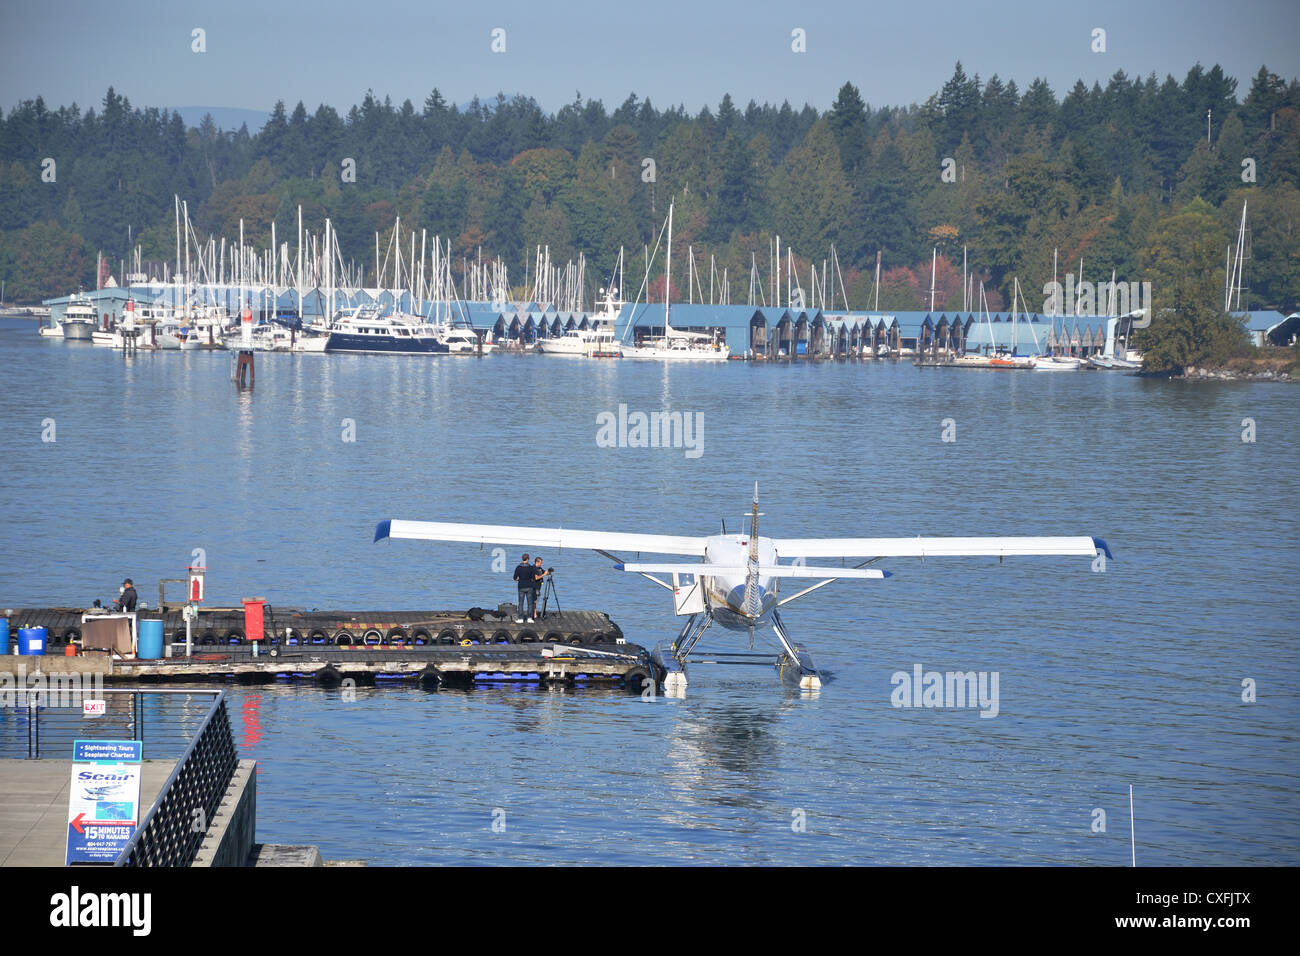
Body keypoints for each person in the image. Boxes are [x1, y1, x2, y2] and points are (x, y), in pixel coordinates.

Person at [513, 554, 533, 623]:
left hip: (521, 586)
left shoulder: (518, 567)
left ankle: (521, 618)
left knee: (521, 603)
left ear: (522, 559)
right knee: (530, 603)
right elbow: (533, 577)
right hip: (529, 586)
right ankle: (529, 618)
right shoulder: (530, 567)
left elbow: (515, 578)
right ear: (527, 559)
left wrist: (519, 579)